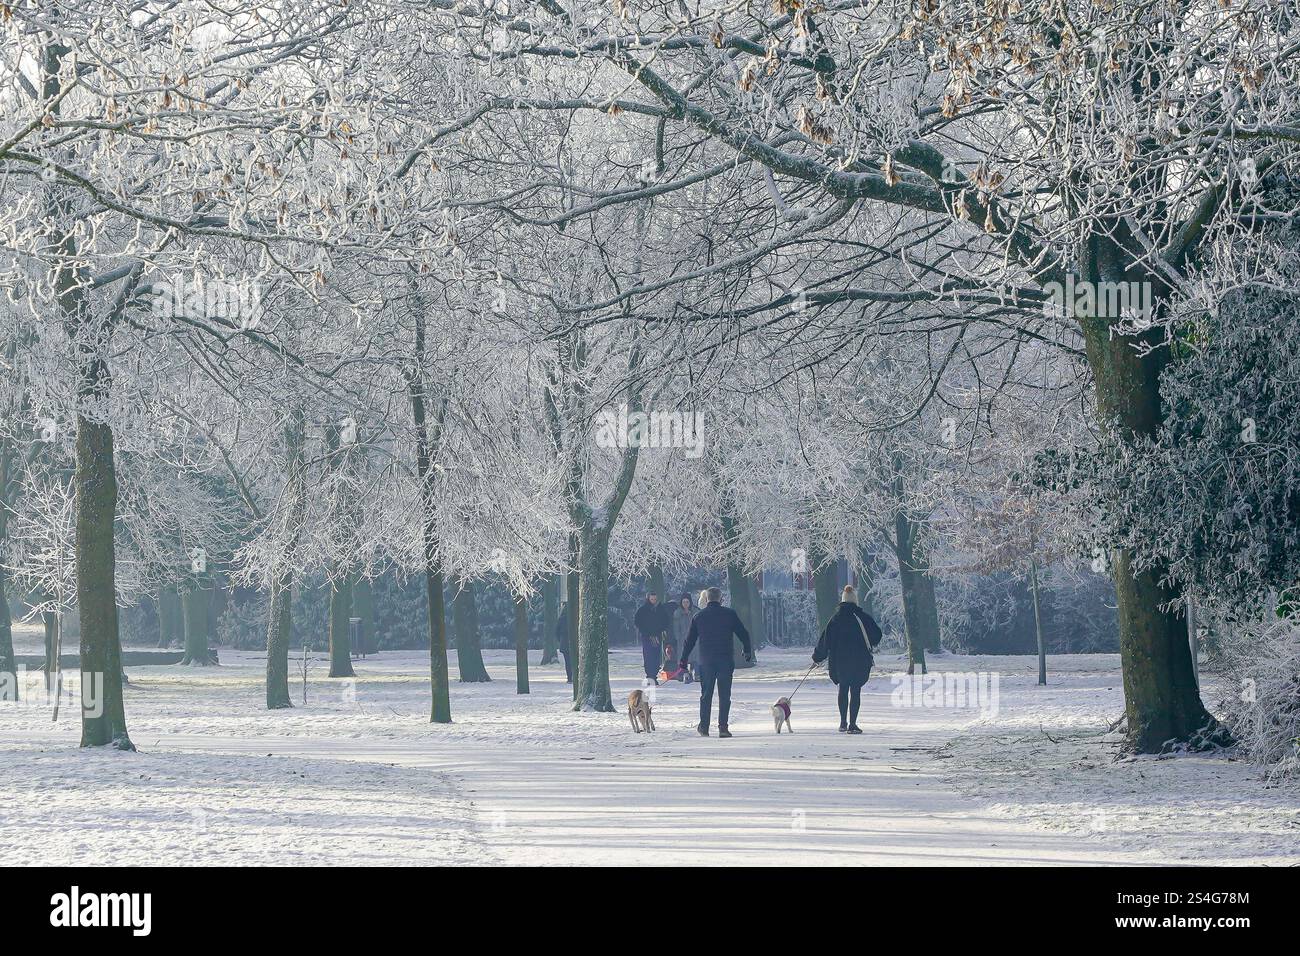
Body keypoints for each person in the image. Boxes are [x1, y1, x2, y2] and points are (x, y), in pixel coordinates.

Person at [678, 586, 753, 737]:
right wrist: (747, 650)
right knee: (725, 695)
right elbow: (743, 633)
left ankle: (704, 727)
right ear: (721, 598)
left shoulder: (699, 616)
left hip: (706, 660)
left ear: (706, 599)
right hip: (725, 659)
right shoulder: (729, 614)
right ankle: (723, 727)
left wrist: (683, 660)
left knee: (706, 694)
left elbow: (689, 641)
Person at [813, 585, 882, 734]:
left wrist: (817, 657)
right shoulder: (863, 618)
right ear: (855, 601)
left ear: (843, 601)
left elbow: (825, 640)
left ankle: (843, 722)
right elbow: (877, 635)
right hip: (859, 660)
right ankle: (853, 724)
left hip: (839, 662)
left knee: (843, 689)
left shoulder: (836, 619)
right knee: (855, 690)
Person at [633, 591, 671, 683]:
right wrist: (645, 632)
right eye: (652, 599)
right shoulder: (643, 610)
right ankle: (650, 676)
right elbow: (638, 622)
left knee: (656, 656)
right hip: (647, 636)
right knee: (648, 656)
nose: (653, 601)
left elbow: (666, 621)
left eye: (655, 599)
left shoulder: (661, 609)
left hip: (657, 636)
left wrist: (661, 629)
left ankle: (654, 675)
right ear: (648, 599)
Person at [671, 593, 697, 680]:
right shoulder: (677, 613)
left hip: (693, 638)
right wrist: (678, 637)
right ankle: (681, 674)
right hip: (682, 638)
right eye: (684, 602)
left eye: (687, 602)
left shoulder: (695, 612)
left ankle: (695, 673)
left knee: (694, 656)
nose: (685, 604)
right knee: (682, 656)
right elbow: (675, 627)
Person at [555, 604, 572, 683]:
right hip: (574, 644)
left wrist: (560, 640)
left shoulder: (561, 619)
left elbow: (556, 632)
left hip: (564, 644)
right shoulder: (575, 618)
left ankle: (569, 677)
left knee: (567, 662)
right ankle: (575, 676)